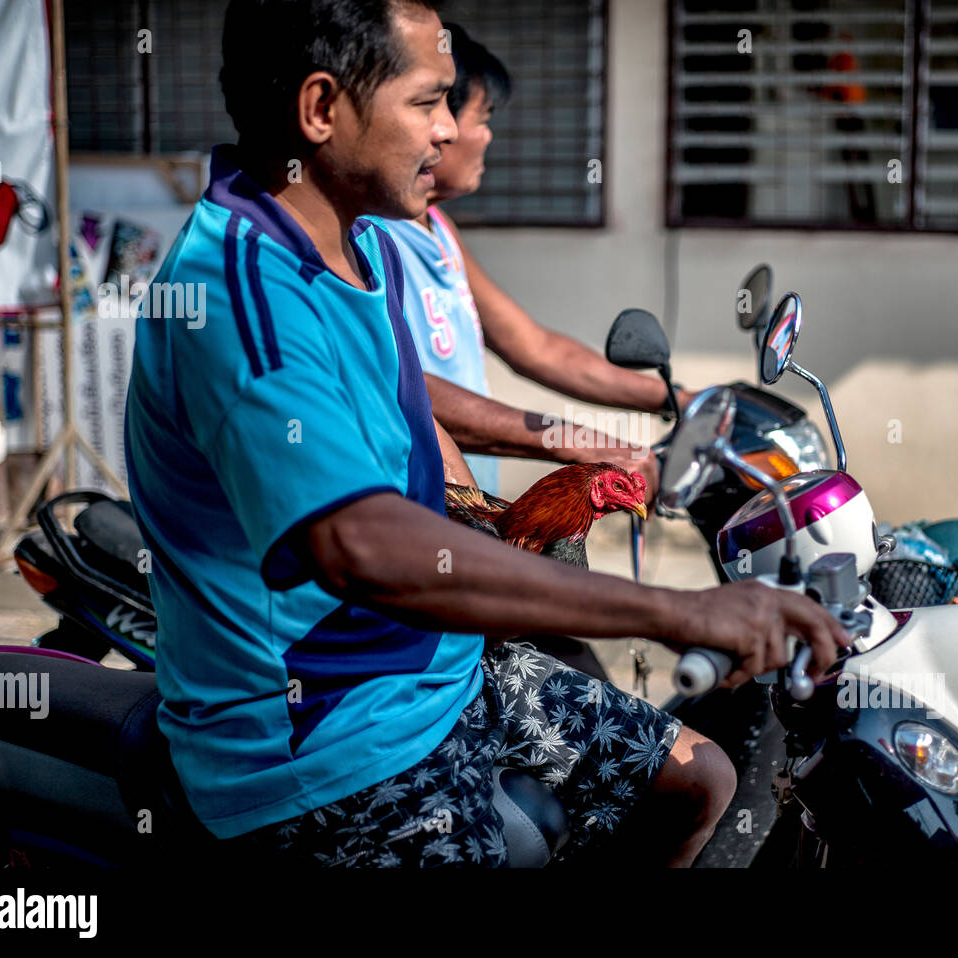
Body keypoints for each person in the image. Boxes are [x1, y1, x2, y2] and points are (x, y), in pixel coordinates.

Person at [124, 0, 848, 868]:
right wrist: (674, 610)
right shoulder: (239, 294)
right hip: (332, 737)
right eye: (429, 102)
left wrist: (560, 437)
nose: (450, 131)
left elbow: (398, 384)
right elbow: (362, 544)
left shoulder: (353, 243)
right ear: (321, 111)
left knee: (700, 780)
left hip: (432, 667)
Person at [385, 23, 687, 497]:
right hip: (415, 512)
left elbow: (535, 347)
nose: (484, 136)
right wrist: (577, 442)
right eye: (481, 117)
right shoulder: (370, 232)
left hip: (465, 508)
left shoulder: (437, 227)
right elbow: (397, 383)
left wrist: (676, 399)